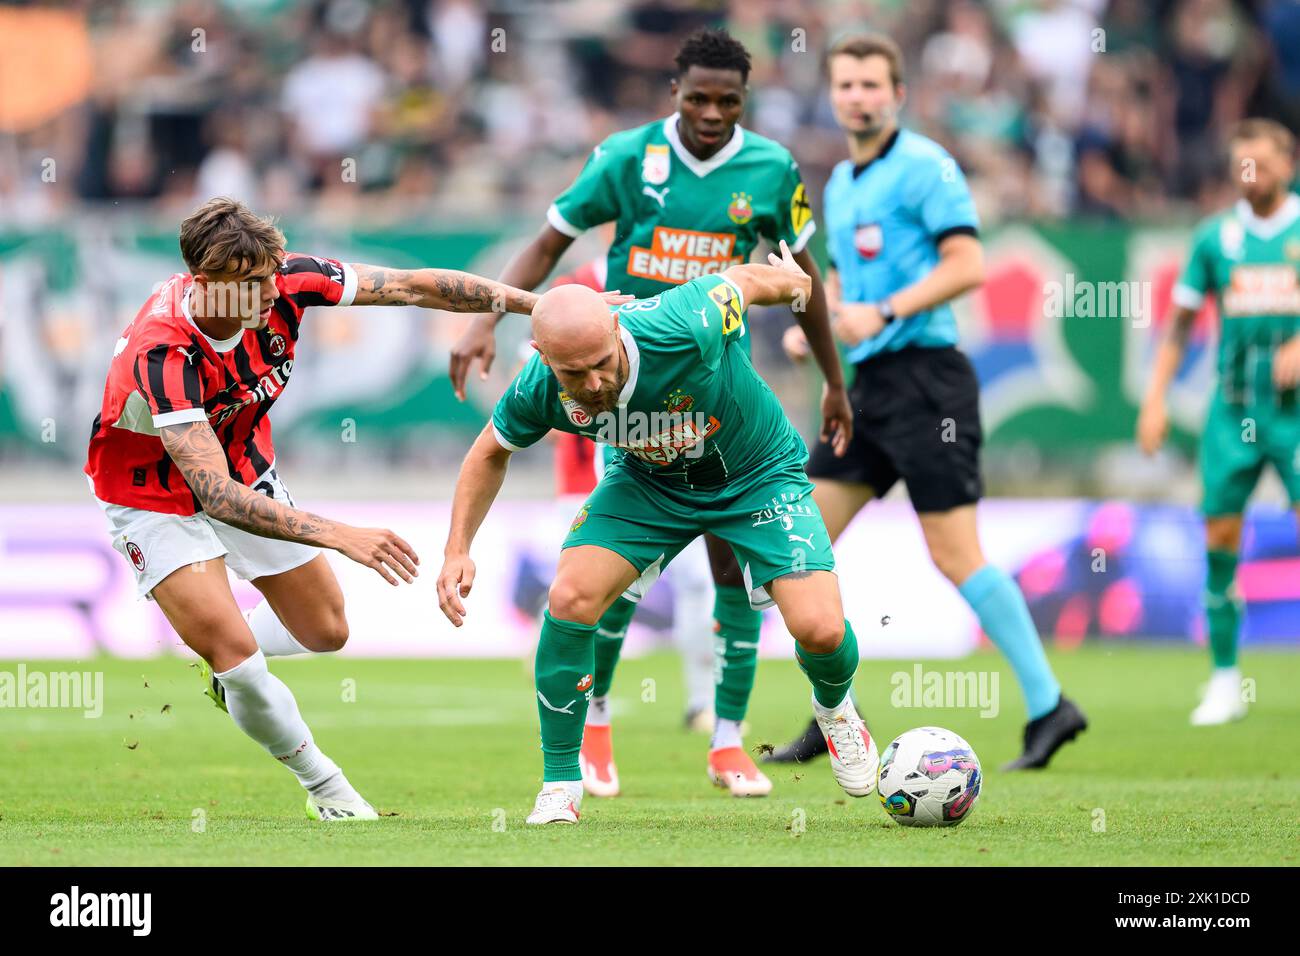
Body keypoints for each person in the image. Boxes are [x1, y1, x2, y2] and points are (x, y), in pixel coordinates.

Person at [84, 197, 600, 820]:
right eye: (248, 286)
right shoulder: (163, 351)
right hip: (150, 496)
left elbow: (414, 287)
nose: (266, 295)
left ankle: (224, 662)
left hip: (243, 466)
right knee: (241, 664)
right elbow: (212, 495)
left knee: (327, 631)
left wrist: (533, 306)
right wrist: (338, 534)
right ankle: (328, 791)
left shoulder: (287, 282)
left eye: (270, 278)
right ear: (205, 285)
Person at [447, 27, 849, 798]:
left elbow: (802, 280)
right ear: (675, 91)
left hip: (712, 372)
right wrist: (481, 320)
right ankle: (593, 723)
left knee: (732, 564)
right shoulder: (625, 158)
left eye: (727, 101)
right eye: (697, 97)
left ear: (744, 101)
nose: (710, 112)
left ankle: (727, 740)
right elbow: (546, 245)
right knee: (612, 576)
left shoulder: (771, 169)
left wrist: (834, 380)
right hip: (621, 380)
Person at [437, 243, 873, 825]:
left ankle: (835, 707)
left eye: (602, 362)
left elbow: (744, 281)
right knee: (569, 598)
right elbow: (488, 453)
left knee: (818, 629)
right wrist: (457, 549)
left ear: (617, 327)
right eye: (574, 373)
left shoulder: (683, 323)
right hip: (648, 482)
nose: (593, 383)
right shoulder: (540, 384)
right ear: (543, 355)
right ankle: (562, 783)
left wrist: (796, 285)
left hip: (756, 473)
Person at [772, 33, 1086, 770]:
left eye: (870, 85)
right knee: (796, 546)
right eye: (845, 85)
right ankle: (835, 709)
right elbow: (846, 288)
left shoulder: (925, 166)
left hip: (928, 380)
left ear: (898, 93)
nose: (856, 96)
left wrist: (882, 314)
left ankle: (1049, 705)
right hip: (867, 387)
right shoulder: (843, 184)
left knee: (954, 554)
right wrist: (818, 332)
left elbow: (969, 263)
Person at [1138, 118, 1300, 725]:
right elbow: (1178, 328)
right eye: (1240, 165)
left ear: (1287, 163)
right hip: (1233, 412)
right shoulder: (1216, 238)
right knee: (1220, 542)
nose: (1248, 174)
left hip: (1296, 415)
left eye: (1259, 163)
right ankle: (1226, 678)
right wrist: (1154, 400)